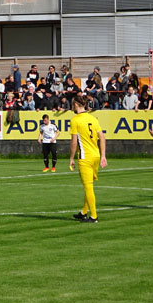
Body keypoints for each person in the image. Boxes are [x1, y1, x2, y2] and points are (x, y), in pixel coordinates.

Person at [69, 95, 107, 224]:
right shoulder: (92, 118)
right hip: (96, 155)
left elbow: (74, 142)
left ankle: (94, 216)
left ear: (76, 105)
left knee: (88, 187)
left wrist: (71, 158)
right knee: (89, 185)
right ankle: (84, 212)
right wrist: (103, 156)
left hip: (85, 157)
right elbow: (102, 137)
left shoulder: (75, 120)